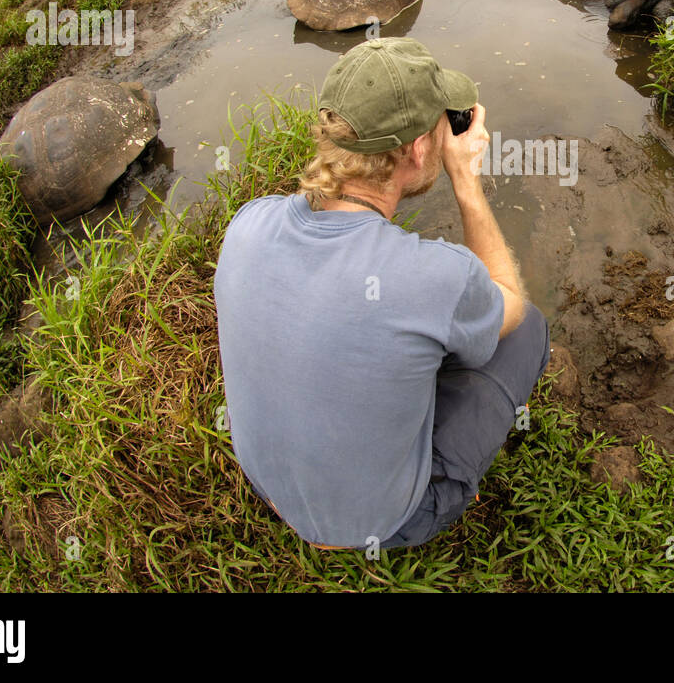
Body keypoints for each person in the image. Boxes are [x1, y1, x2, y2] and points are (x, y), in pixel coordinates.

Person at [213, 36, 550, 550]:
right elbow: (508, 297)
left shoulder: (248, 223)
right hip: (381, 523)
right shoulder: (432, 277)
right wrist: (467, 181)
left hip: (270, 489)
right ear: (417, 150)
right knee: (526, 329)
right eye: (442, 125)